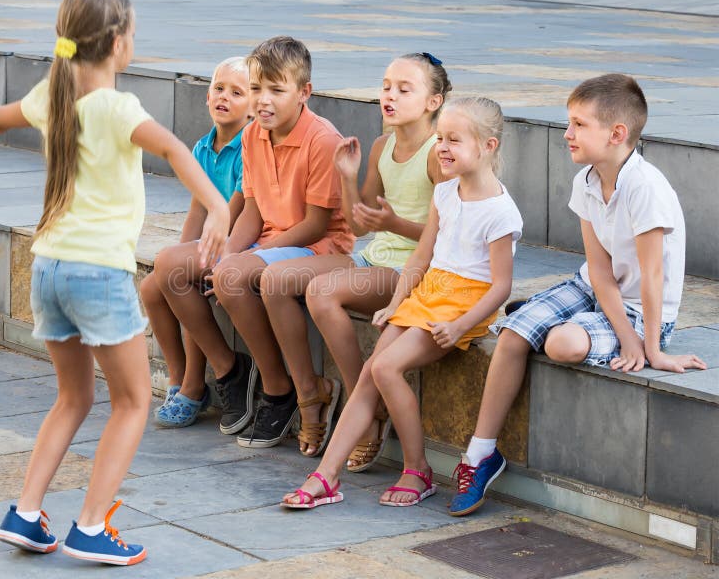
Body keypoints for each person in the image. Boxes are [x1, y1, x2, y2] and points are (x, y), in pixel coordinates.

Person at [0, 0, 229, 565]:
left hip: (48, 268)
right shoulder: (117, 107)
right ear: (118, 43)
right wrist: (218, 208)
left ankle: (25, 514)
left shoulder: (54, 95)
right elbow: (174, 149)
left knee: (73, 396)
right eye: (133, 34)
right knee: (133, 401)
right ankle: (91, 526)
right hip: (97, 274)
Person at [448, 74, 707, 518]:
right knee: (513, 334)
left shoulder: (645, 188)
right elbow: (600, 270)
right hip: (592, 287)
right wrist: (620, 336)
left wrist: (646, 347)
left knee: (562, 344)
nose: (567, 133)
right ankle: (480, 454)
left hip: (644, 310)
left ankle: (553, 322)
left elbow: (652, 276)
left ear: (616, 133)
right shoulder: (586, 180)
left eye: (579, 124)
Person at [281, 97, 522, 509]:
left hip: (463, 304)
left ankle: (417, 469)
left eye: (454, 140)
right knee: (368, 376)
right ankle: (325, 476)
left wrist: (461, 325)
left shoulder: (501, 211)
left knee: (385, 367)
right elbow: (421, 257)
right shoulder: (445, 192)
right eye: (440, 138)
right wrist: (396, 302)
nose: (442, 147)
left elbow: (501, 287)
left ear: (488, 146)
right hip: (428, 293)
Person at [153, 36, 353, 447]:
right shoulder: (253, 136)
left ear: (304, 92)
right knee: (170, 265)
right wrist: (227, 252)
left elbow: (316, 226)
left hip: (316, 247)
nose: (264, 101)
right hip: (267, 241)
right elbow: (253, 212)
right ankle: (231, 371)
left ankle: (279, 390)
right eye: (258, 89)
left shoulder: (322, 140)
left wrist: (248, 258)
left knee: (230, 276)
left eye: (276, 90)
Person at [260, 52, 450, 460]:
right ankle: (310, 393)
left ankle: (364, 407)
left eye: (404, 89)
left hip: (412, 269)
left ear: (433, 102)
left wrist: (395, 223)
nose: (390, 96)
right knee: (274, 280)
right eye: (386, 87)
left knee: (322, 292)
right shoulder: (383, 146)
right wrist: (347, 177)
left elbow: (448, 237)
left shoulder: (438, 154)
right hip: (374, 257)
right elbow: (360, 226)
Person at [142, 56, 249, 428]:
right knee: (152, 286)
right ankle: (178, 378)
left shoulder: (249, 147)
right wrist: (178, 253)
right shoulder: (203, 148)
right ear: (207, 97)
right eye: (219, 89)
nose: (224, 97)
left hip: (241, 243)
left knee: (177, 275)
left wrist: (184, 261)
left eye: (237, 93)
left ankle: (198, 383)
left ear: (254, 105)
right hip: (213, 244)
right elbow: (197, 210)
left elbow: (237, 212)